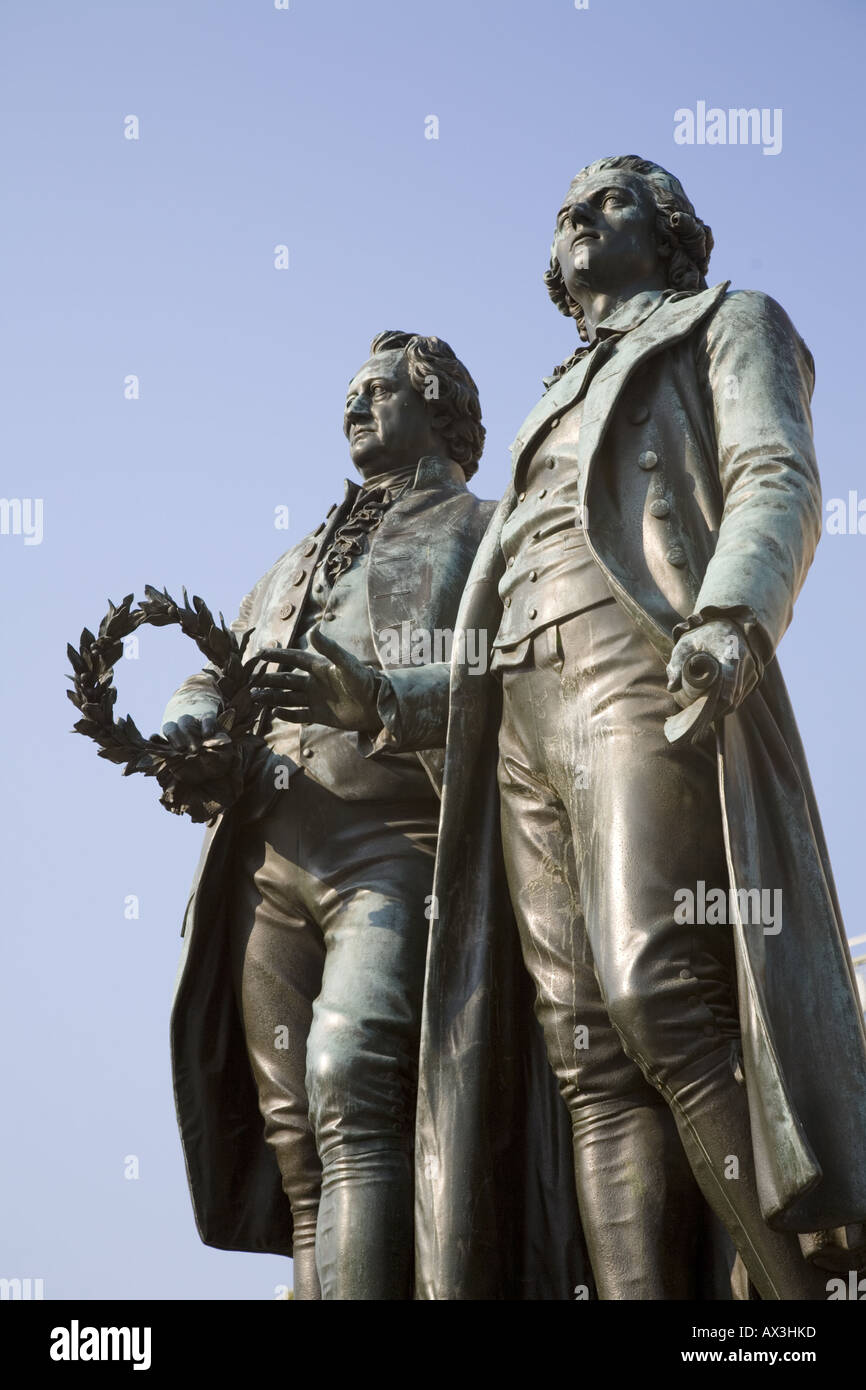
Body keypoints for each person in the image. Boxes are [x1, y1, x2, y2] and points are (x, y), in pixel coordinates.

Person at [297, 158, 866, 1299]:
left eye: (609, 197)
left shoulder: (729, 319)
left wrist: (730, 620)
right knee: (585, 1054)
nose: (577, 213)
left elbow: (774, 476)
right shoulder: (544, 402)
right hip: (516, 707)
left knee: (656, 983)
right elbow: (489, 596)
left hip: (634, 662)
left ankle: (794, 1303)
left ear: (668, 234)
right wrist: (393, 703)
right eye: (565, 205)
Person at [161, 330, 496, 1299]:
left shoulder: (484, 529)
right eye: (347, 393)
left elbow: (515, 668)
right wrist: (188, 730)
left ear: (438, 410)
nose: (354, 406)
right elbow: (213, 673)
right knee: (296, 1132)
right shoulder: (290, 561)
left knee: (351, 1076)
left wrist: (382, 698)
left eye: (378, 390)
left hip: (393, 845)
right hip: (266, 858)